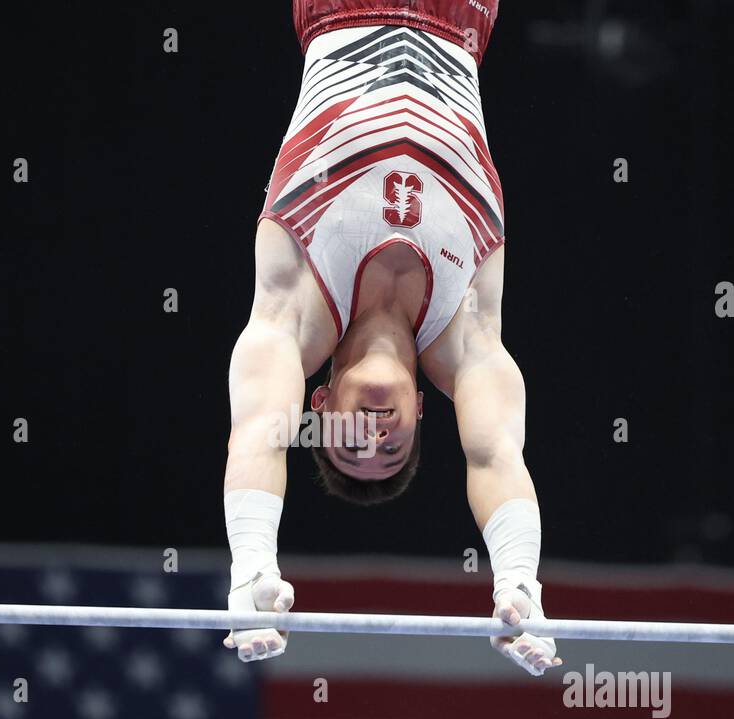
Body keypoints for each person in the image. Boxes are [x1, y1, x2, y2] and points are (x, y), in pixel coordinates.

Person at [223, 0, 560, 677]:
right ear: (421, 414)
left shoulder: (293, 311)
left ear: (316, 408)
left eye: (351, 443)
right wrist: (519, 584)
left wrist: (252, 569)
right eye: (392, 445)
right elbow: (494, 454)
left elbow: (259, 429)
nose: (373, 434)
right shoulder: (467, 341)